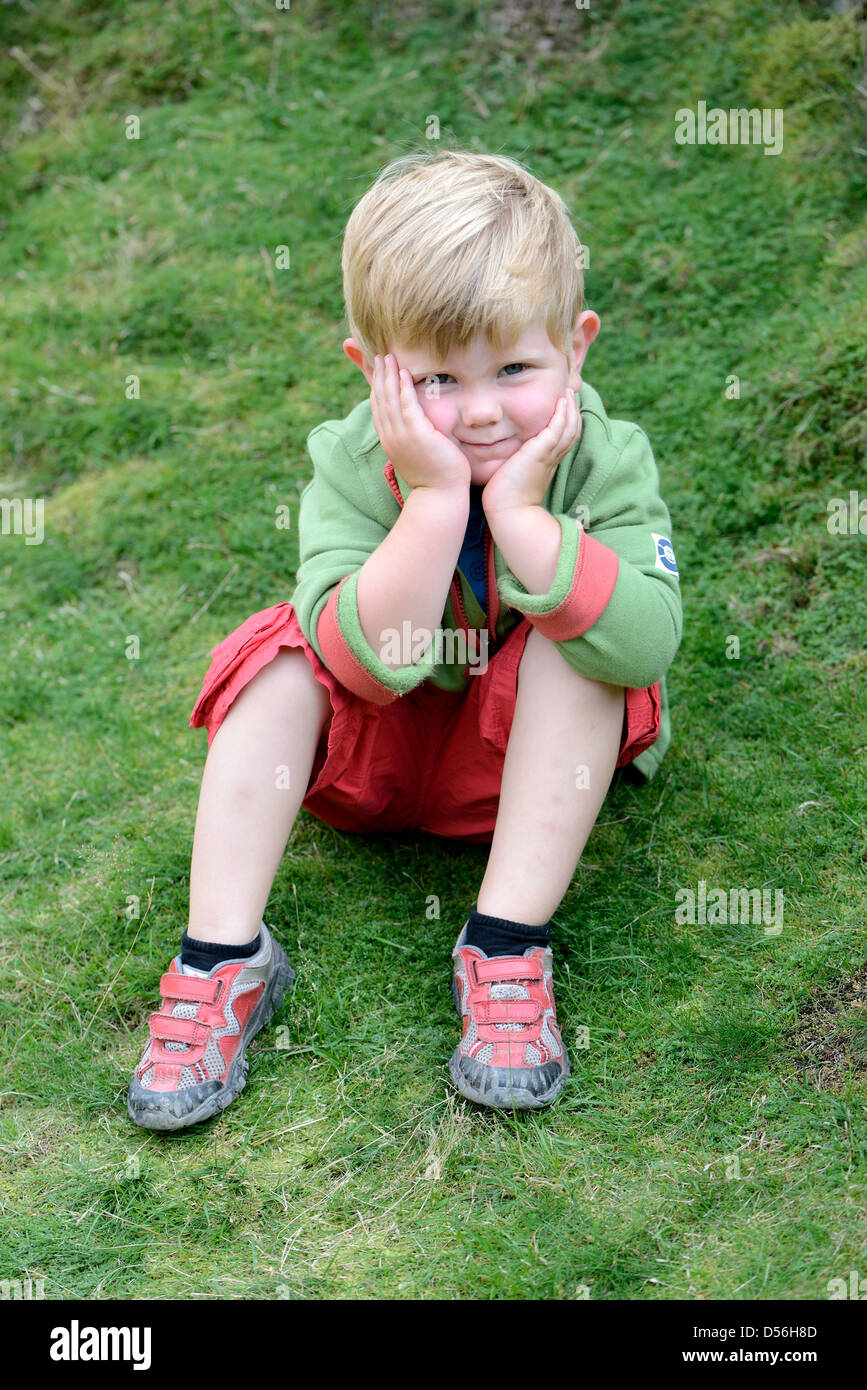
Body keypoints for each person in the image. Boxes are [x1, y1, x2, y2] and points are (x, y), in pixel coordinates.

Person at [127, 148, 682, 1129]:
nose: (476, 412)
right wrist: (433, 502)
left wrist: (525, 520)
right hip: (376, 763)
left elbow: (646, 648)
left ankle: (505, 940)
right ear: (371, 369)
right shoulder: (349, 461)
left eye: (514, 368)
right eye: (435, 378)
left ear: (577, 347)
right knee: (281, 653)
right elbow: (354, 663)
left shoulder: (602, 455)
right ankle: (220, 958)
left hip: (516, 771)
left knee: (582, 639)